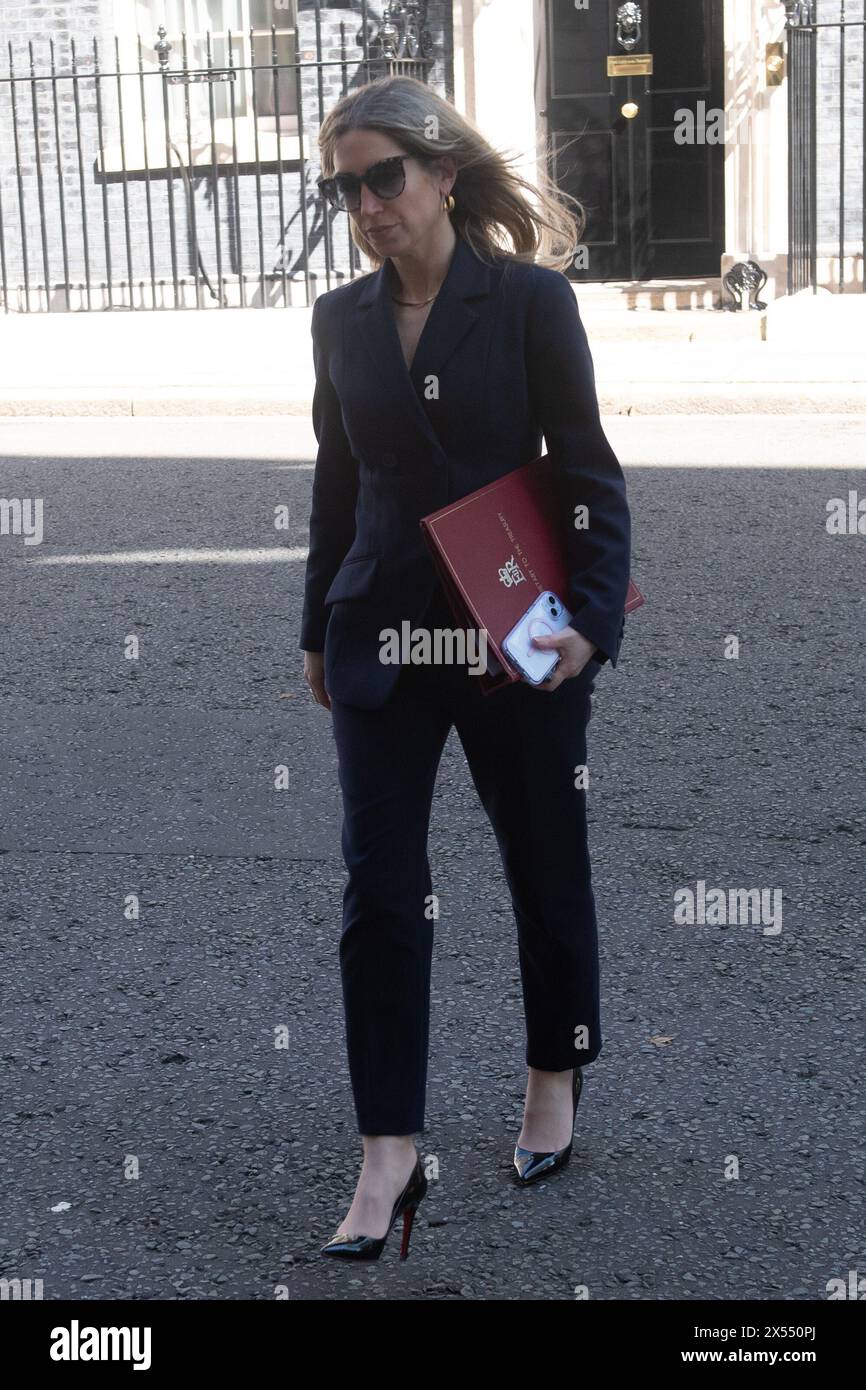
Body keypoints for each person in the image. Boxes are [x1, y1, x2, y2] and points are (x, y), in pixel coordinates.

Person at [299, 76, 631, 1261]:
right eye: (344, 186)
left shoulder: (531, 304)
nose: (365, 204)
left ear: (442, 176)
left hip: (516, 641)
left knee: (544, 863)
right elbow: (337, 488)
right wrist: (311, 627)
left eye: (383, 176)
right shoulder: (341, 321)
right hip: (382, 636)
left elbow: (588, 475)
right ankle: (387, 1150)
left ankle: (555, 1068)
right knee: (376, 891)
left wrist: (587, 621)